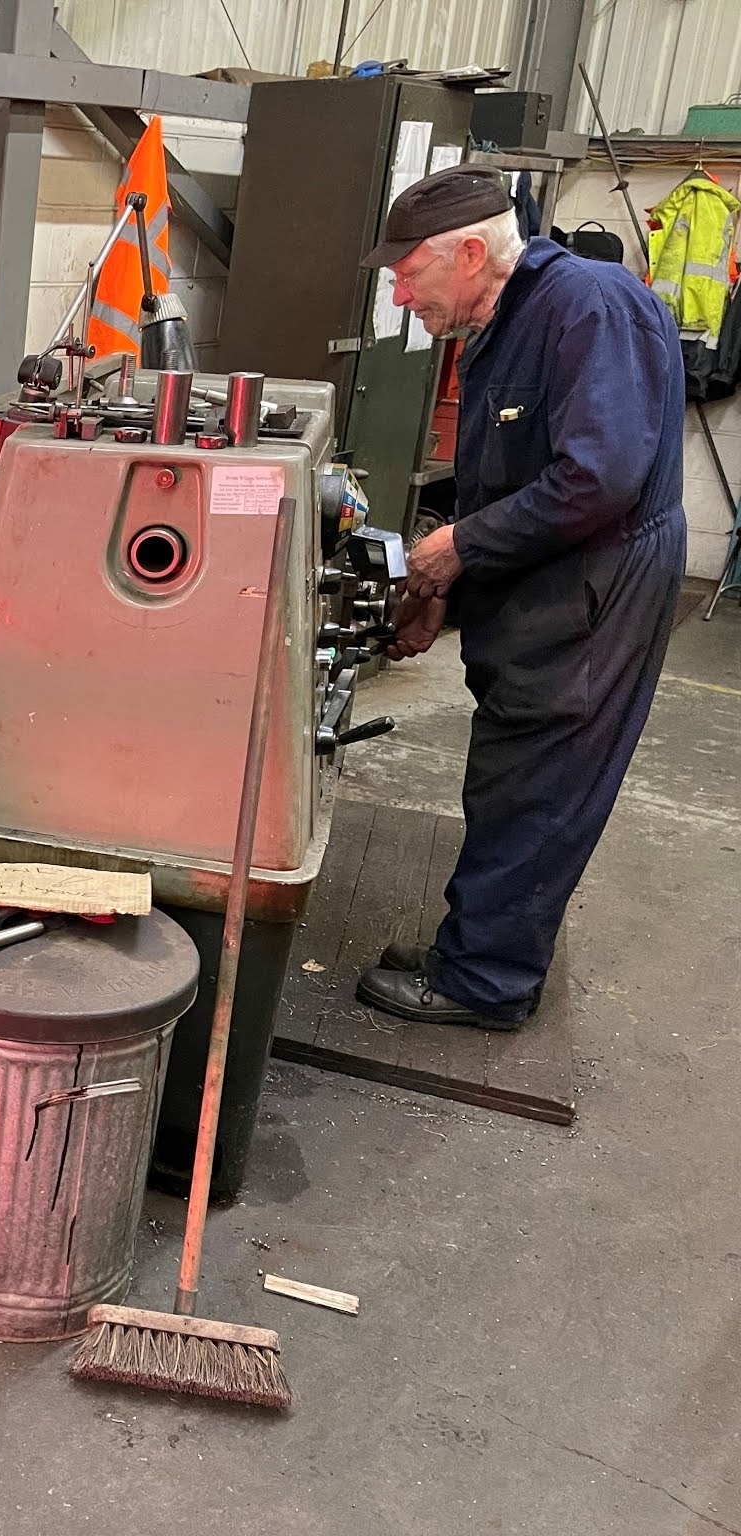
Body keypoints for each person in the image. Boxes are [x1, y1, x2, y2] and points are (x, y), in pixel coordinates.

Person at [354, 165, 687, 1030]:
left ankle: (486, 982)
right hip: (550, 575)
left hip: (596, 587)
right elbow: (511, 477)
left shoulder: (588, 307)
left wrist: (460, 546)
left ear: (469, 253)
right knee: (511, 772)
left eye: (407, 273)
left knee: (542, 782)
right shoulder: (506, 319)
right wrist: (448, 585)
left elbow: (598, 479)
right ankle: (478, 947)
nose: (399, 294)